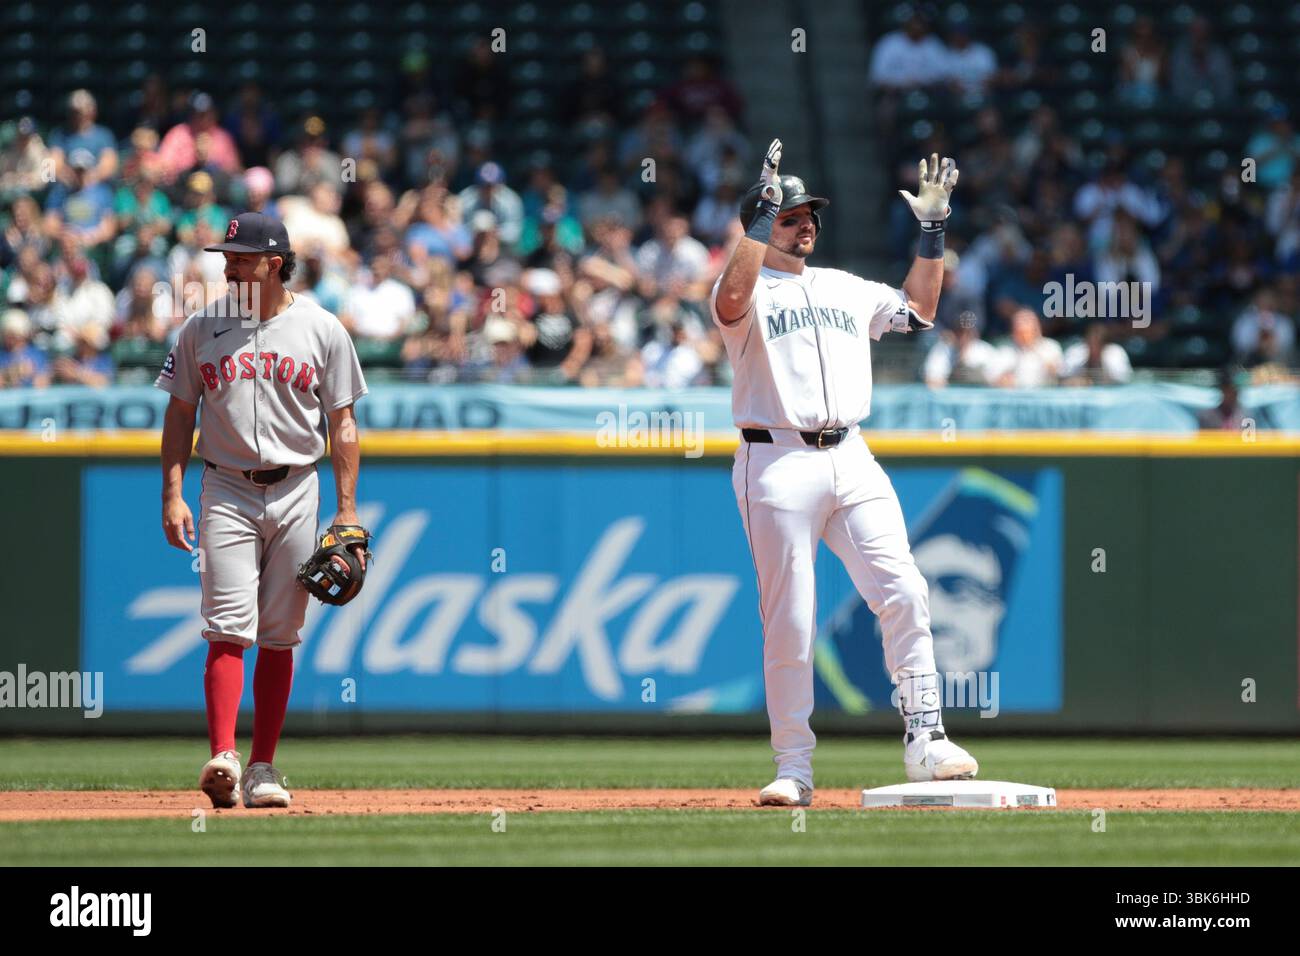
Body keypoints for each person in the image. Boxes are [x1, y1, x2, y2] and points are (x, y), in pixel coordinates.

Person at [712, 140, 977, 806]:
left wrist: (933, 231)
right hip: (775, 459)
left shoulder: (844, 287)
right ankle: (794, 767)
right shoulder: (746, 288)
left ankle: (927, 738)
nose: (807, 225)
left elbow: (920, 309)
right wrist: (756, 217)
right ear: (763, 222)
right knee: (792, 619)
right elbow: (730, 297)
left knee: (906, 591)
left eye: (810, 216)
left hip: (851, 456)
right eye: (792, 215)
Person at [156, 212, 368, 810]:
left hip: (299, 486)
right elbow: (179, 415)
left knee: (280, 633)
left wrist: (347, 511)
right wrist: (172, 493)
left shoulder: (322, 329)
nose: (228, 266)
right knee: (227, 623)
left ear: (273, 263)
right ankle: (223, 754)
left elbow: (343, 422)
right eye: (227, 256)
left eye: (240, 257)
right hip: (226, 487)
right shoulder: (202, 328)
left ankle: (263, 768)